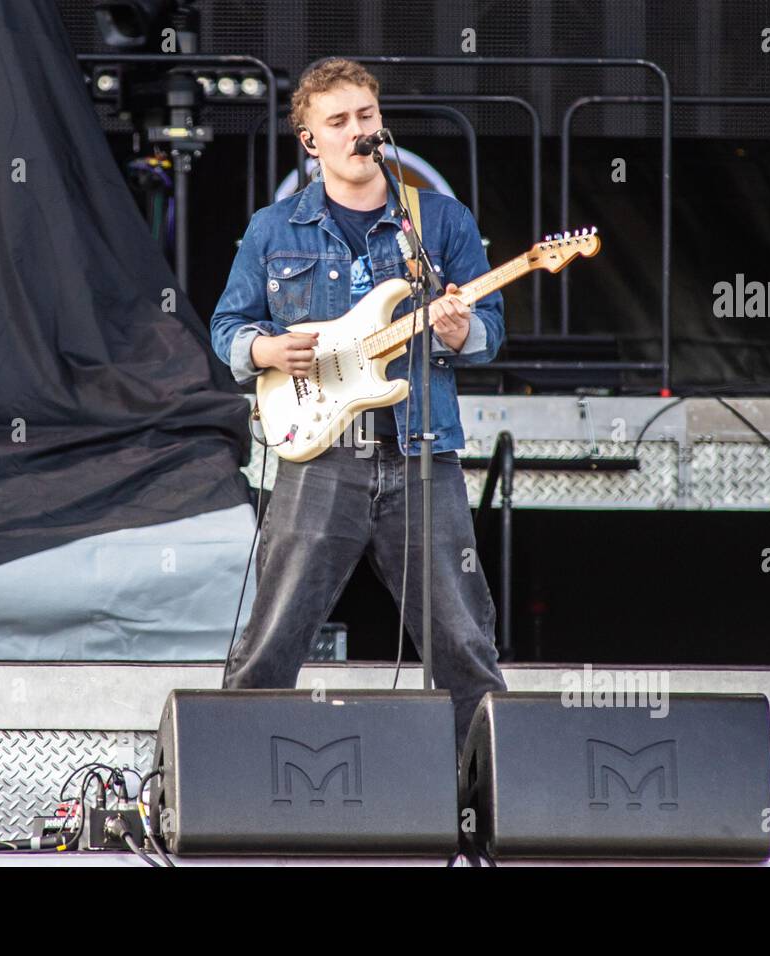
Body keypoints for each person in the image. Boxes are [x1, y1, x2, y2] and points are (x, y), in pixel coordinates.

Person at [209, 57, 507, 752]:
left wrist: (465, 330)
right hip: (319, 457)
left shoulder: (435, 220)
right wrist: (266, 353)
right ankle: (233, 788)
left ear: (382, 123)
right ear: (309, 140)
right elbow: (227, 327)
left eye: (366, 116)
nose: (356, 131)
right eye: (337, 121)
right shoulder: (272, 229)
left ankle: (484, 798)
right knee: (273, 638)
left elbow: (490, 329)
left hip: (420, 450)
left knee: (461, 637)